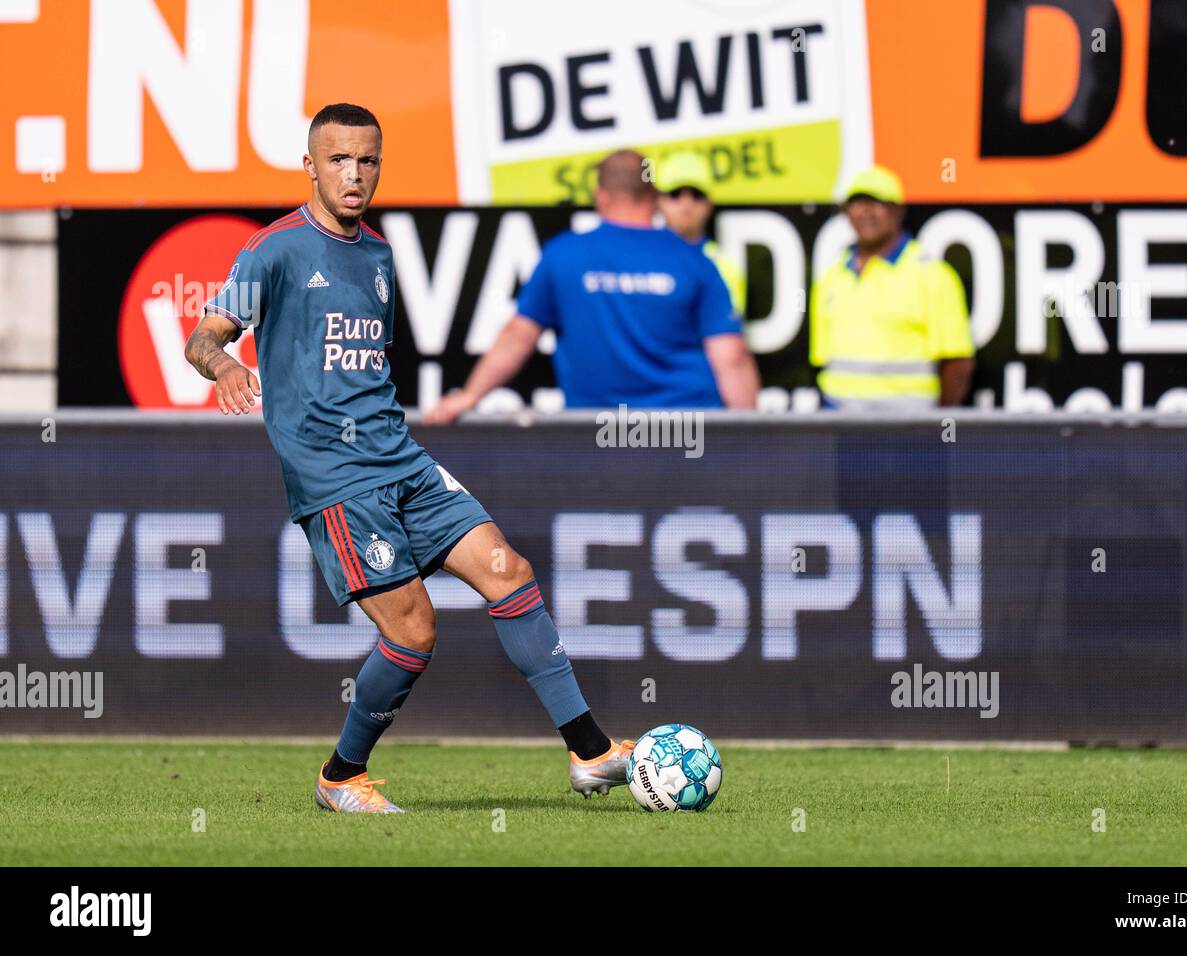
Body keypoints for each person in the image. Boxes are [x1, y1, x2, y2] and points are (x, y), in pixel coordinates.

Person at [184, 103, 633, 813]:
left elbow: (366, 370)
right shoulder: (274, 250)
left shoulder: (379, 256)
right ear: (310, 165)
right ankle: (339, 777)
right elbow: (203, 338)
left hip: (404, 461)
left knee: (508, 572)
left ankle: (590, 752)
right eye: (337, 159)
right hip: (335, 479)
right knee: (415, 631)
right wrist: (227, 366)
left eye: (366, 160)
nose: (353, 174)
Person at [426, 149, 759, 421]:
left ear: (601, 196)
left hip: (600, 436)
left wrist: (468, 397)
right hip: (686, 432)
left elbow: (517, 338)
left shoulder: (564, 255)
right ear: (653, 197)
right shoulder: (695, 261)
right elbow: (731, 356)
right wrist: (751, 435)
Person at [810, 165, 975, 409]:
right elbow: (824, 361)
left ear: (898, 211)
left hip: (908, 430)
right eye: (857, 203)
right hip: (842, 427)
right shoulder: (831, 277)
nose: (866, 212)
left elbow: (958, 362)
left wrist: (933, 424)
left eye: (876, 202)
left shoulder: (932, 274)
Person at [656, 150, 745, 316]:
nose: (686, 204)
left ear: (710, 202)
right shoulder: (641, 259)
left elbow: (725, 334)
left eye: (697, 194)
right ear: (659, 200)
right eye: (675, 194)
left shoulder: (724, 268)